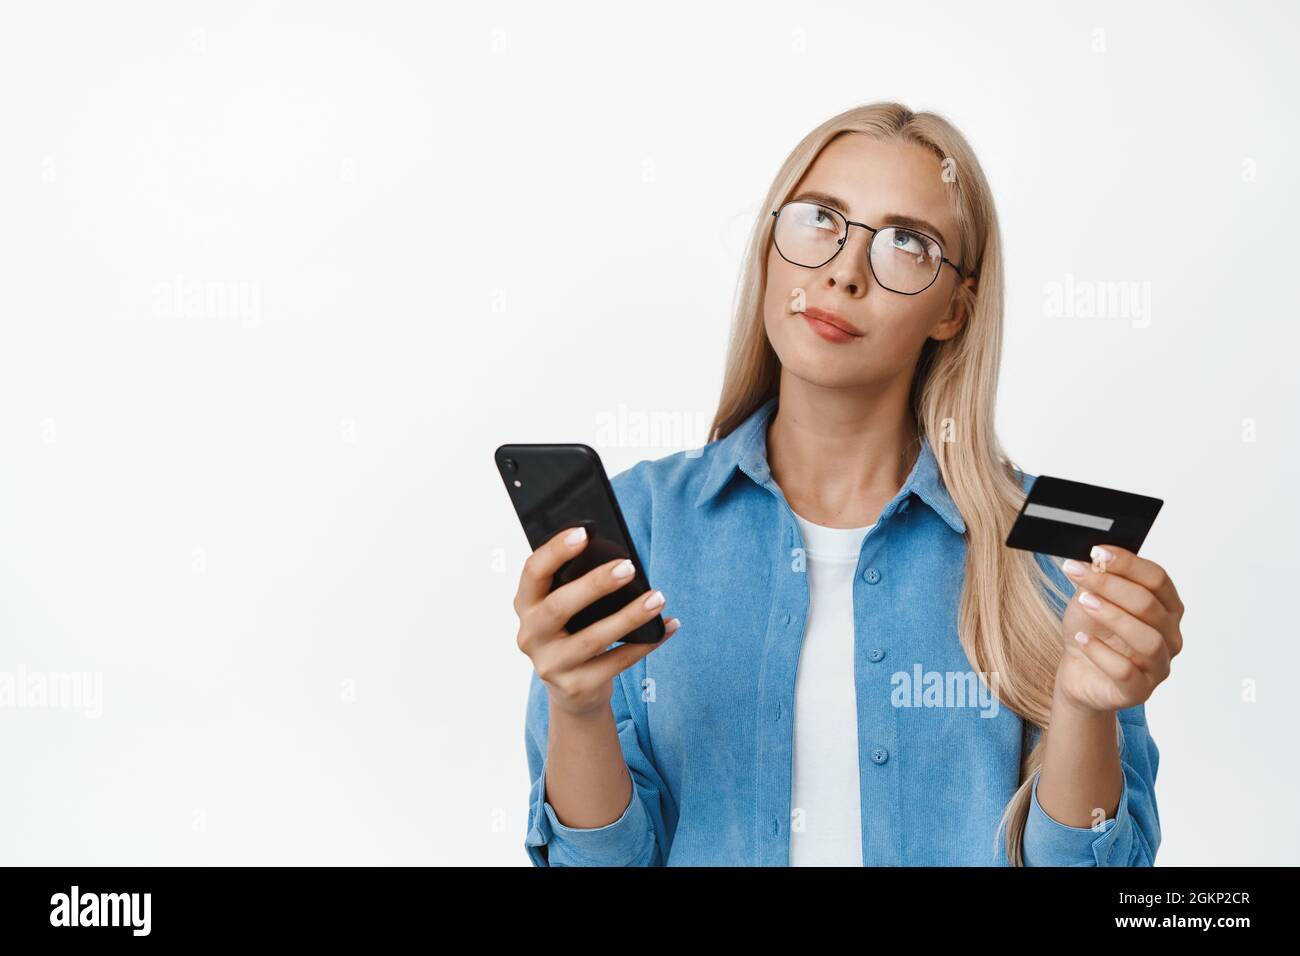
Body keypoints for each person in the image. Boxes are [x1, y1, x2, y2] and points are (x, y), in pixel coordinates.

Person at [514, 101, 1183, 866]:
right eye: (820, 219)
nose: (843, 270)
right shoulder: (643, 524)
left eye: (909, 243)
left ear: (954, 311)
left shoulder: (1045, 551)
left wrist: (1084, 708)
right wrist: (576, 705)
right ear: (770, 247)